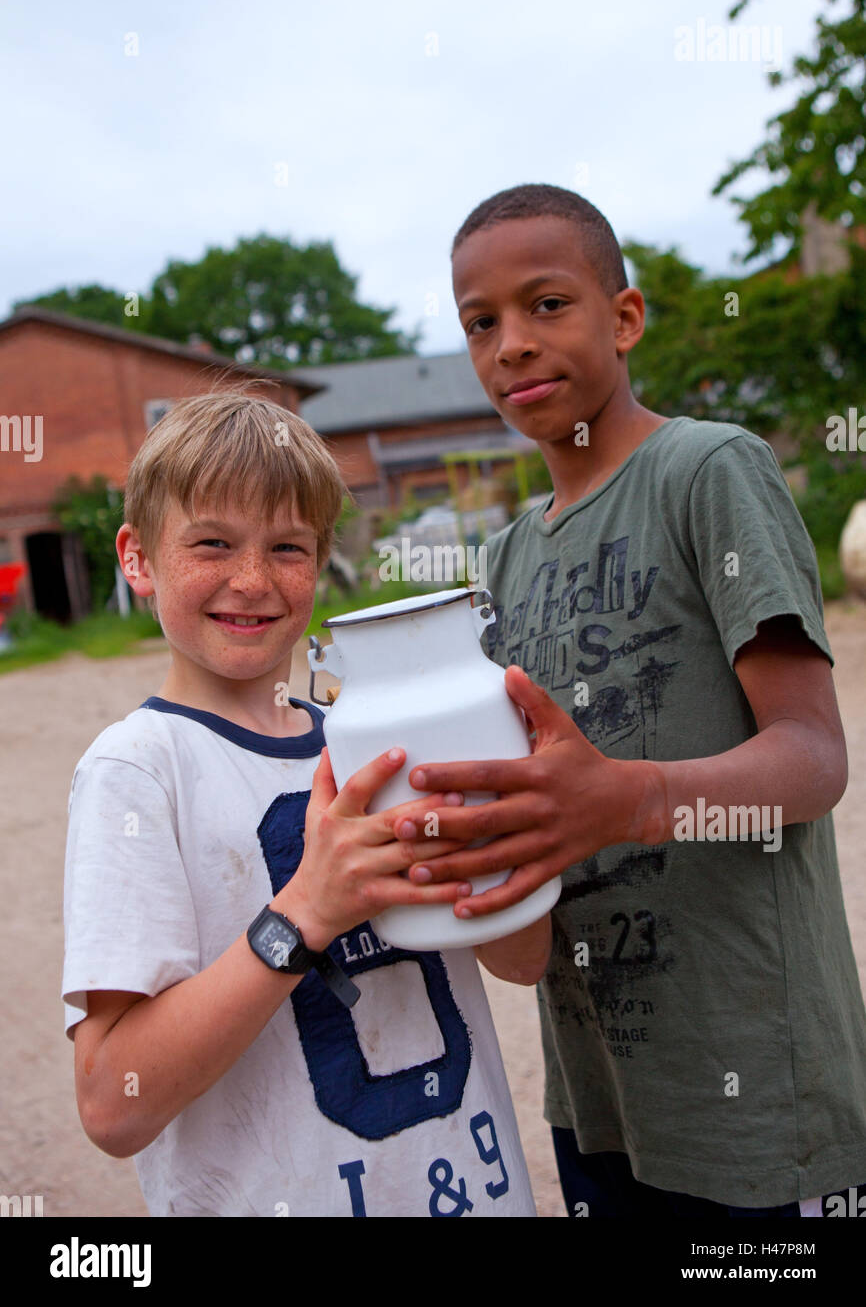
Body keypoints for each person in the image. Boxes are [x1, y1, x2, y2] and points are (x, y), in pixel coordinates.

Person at [385, 183, 866, 1217]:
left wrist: (629, 800)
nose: (510, 343)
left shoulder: (707, 471)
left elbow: (813, 758)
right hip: (597, 1095)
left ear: (624, 317)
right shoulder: (505, 557)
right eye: (480, 322)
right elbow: (530, 827)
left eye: (545, 304)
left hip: (755, 1100)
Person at [61, 388, 548, 1218]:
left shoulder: (364, 736)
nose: (251, 580)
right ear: (136, 557)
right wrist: (304, 916)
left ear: (321, 565)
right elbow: (113, 1104)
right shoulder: (137, 771)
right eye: (211, 543)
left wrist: (501, 834)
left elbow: (522, 960)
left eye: (287, 547)